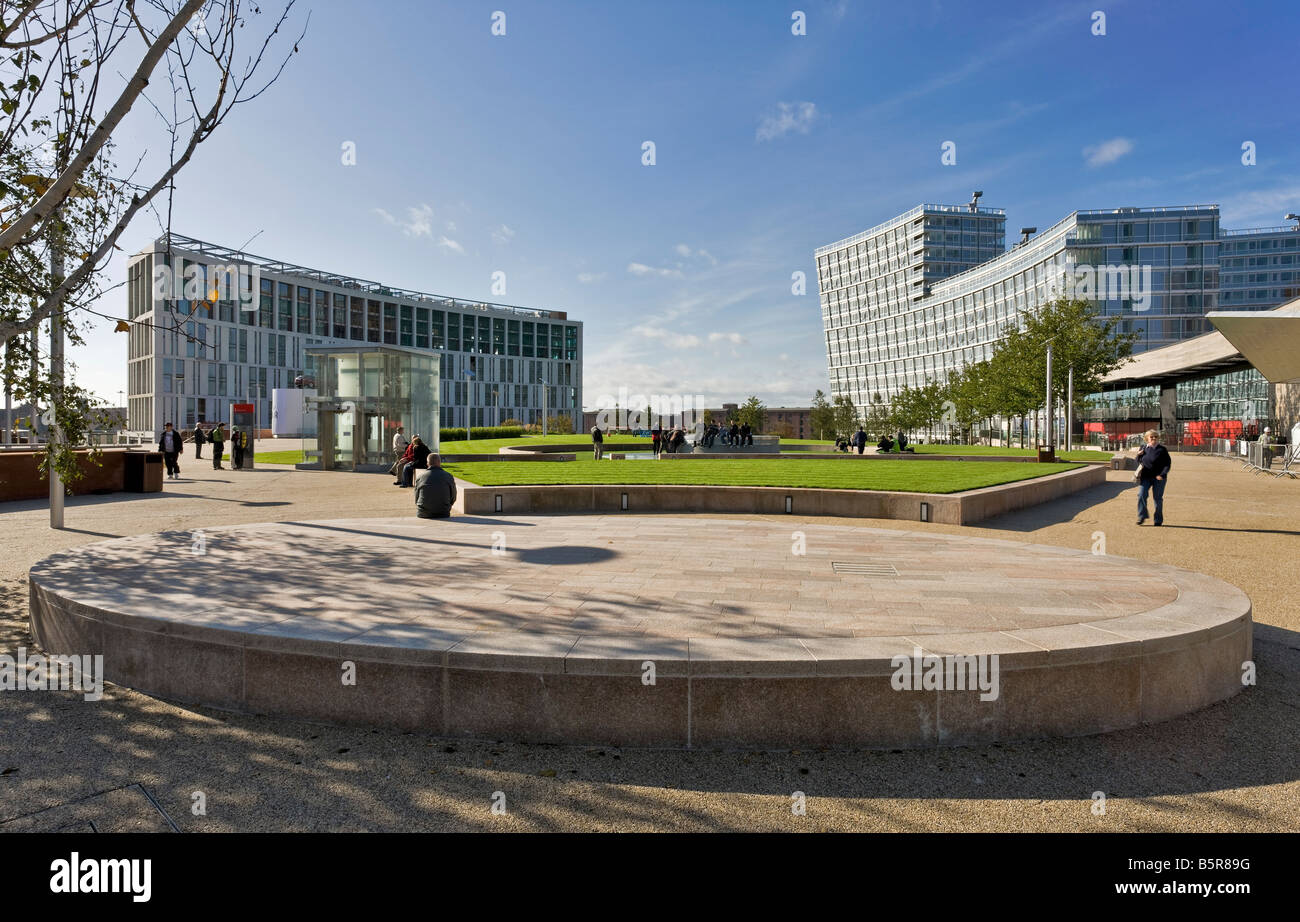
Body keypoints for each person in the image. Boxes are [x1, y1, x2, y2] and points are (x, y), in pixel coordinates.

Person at [1135, 428, 1172, 526]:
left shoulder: (1162, 449)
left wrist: (1163, 474)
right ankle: (1141, 516)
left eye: (1156, 437)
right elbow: (1138, 461)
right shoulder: (1143, 447)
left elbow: (1167, 464)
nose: (1154, 438)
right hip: (1145, 477)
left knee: (1157, 498)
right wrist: (1138, 455)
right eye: (1151, 437)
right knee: (1141, 495)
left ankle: (1158, 520)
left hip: (1158, 478)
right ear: (1147, 438)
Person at [414, 453, 457, 518]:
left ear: (427, 463)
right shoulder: (448, 476)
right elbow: (453, 496)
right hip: (443, 512)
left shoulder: (420, 477)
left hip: (423, 512)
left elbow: (416, 496)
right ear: (439, 462)